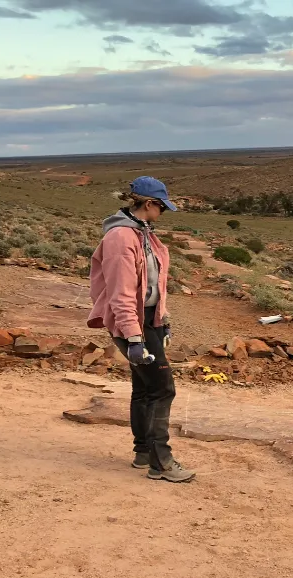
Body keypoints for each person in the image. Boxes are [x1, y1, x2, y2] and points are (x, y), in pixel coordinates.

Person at [88, 176, 196, 483]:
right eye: (162, 207)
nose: (163, 212)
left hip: (148, 320)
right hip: (133, 323)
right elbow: (121, 292)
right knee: (163, 389)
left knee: (145, 388)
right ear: (148, 204)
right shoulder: (122, 238)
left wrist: (163, 320)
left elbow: (152, 285)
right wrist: (134, 338)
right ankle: (161, 463)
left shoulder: (143, 233)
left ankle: (143, 453)